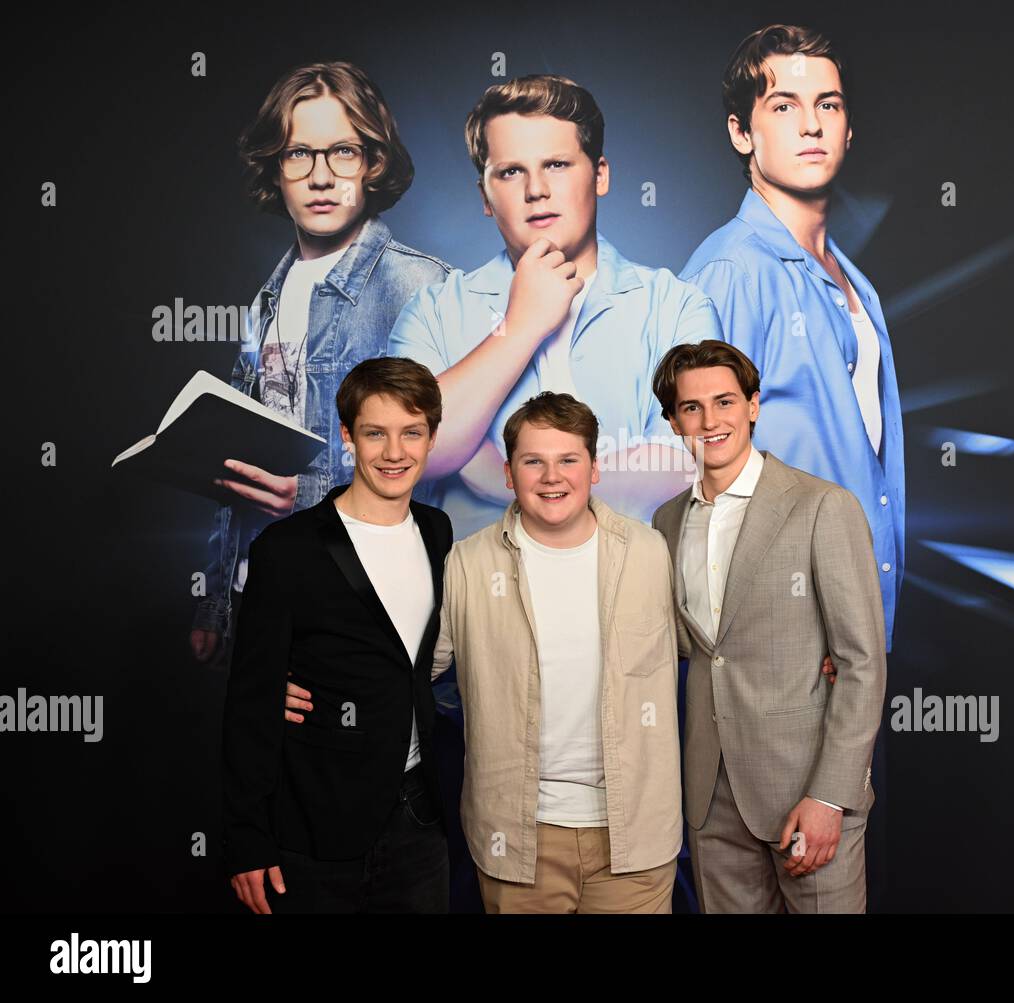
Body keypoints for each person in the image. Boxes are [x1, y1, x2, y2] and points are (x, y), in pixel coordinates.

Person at [289, 392, 683, 913]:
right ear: (508, 473)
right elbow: (406, 670)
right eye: (533, 461)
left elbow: (712, 643)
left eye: (568, 459)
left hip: (636, 840)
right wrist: (303, 681)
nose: (552, 476)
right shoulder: (467, 565)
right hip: (517, 842)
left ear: (594, 468)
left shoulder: (651, 551)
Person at [191, 61, 451, 663]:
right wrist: (212, 601)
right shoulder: (267, 298)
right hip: (259, 597)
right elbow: (239, 452)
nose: (320, 177)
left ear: (373, 162)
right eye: (298, 155)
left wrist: (303, 493)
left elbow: (435, 463)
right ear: (275, 171)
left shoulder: (418, 284)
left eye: (343, 152)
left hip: (355, 602)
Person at [387, 74, 720, 535]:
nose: (536, 189)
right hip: (487, 598)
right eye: (510, 171)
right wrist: (520, 326)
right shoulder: (432, 310)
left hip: (632, 595)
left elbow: (691, 456)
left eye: (557, 164)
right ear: (484, 195)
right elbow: (408, 448)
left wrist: (502, 478)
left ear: (599, 174)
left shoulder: (677, 306)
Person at [680, 24, 904, 652]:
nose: (812, 125)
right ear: (741, 132)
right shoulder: (731, 271)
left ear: (848, 126)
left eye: (827, 105)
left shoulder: (854, 282)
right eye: (784, 107)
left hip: (858, 626)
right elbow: (691, 463)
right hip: (782, 637)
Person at [651, 340, 887, 913]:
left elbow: (861, 663)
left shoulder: (822, 507)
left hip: (805, 789)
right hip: (711, 796)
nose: (711, 421)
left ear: (753, 406)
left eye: (725, 401)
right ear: (673, 421)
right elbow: (693, 646)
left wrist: (830, 797)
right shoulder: (667, 521)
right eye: (691, 408)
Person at [223, 357, 453, 914]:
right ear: (348, 436)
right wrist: (245, 839)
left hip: (422, 818)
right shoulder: (286, 549)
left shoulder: (438, 531)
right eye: (376, 433)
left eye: (411, 433)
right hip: (315, 824)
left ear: (431, 437)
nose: (395, 453)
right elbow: (250, 703)